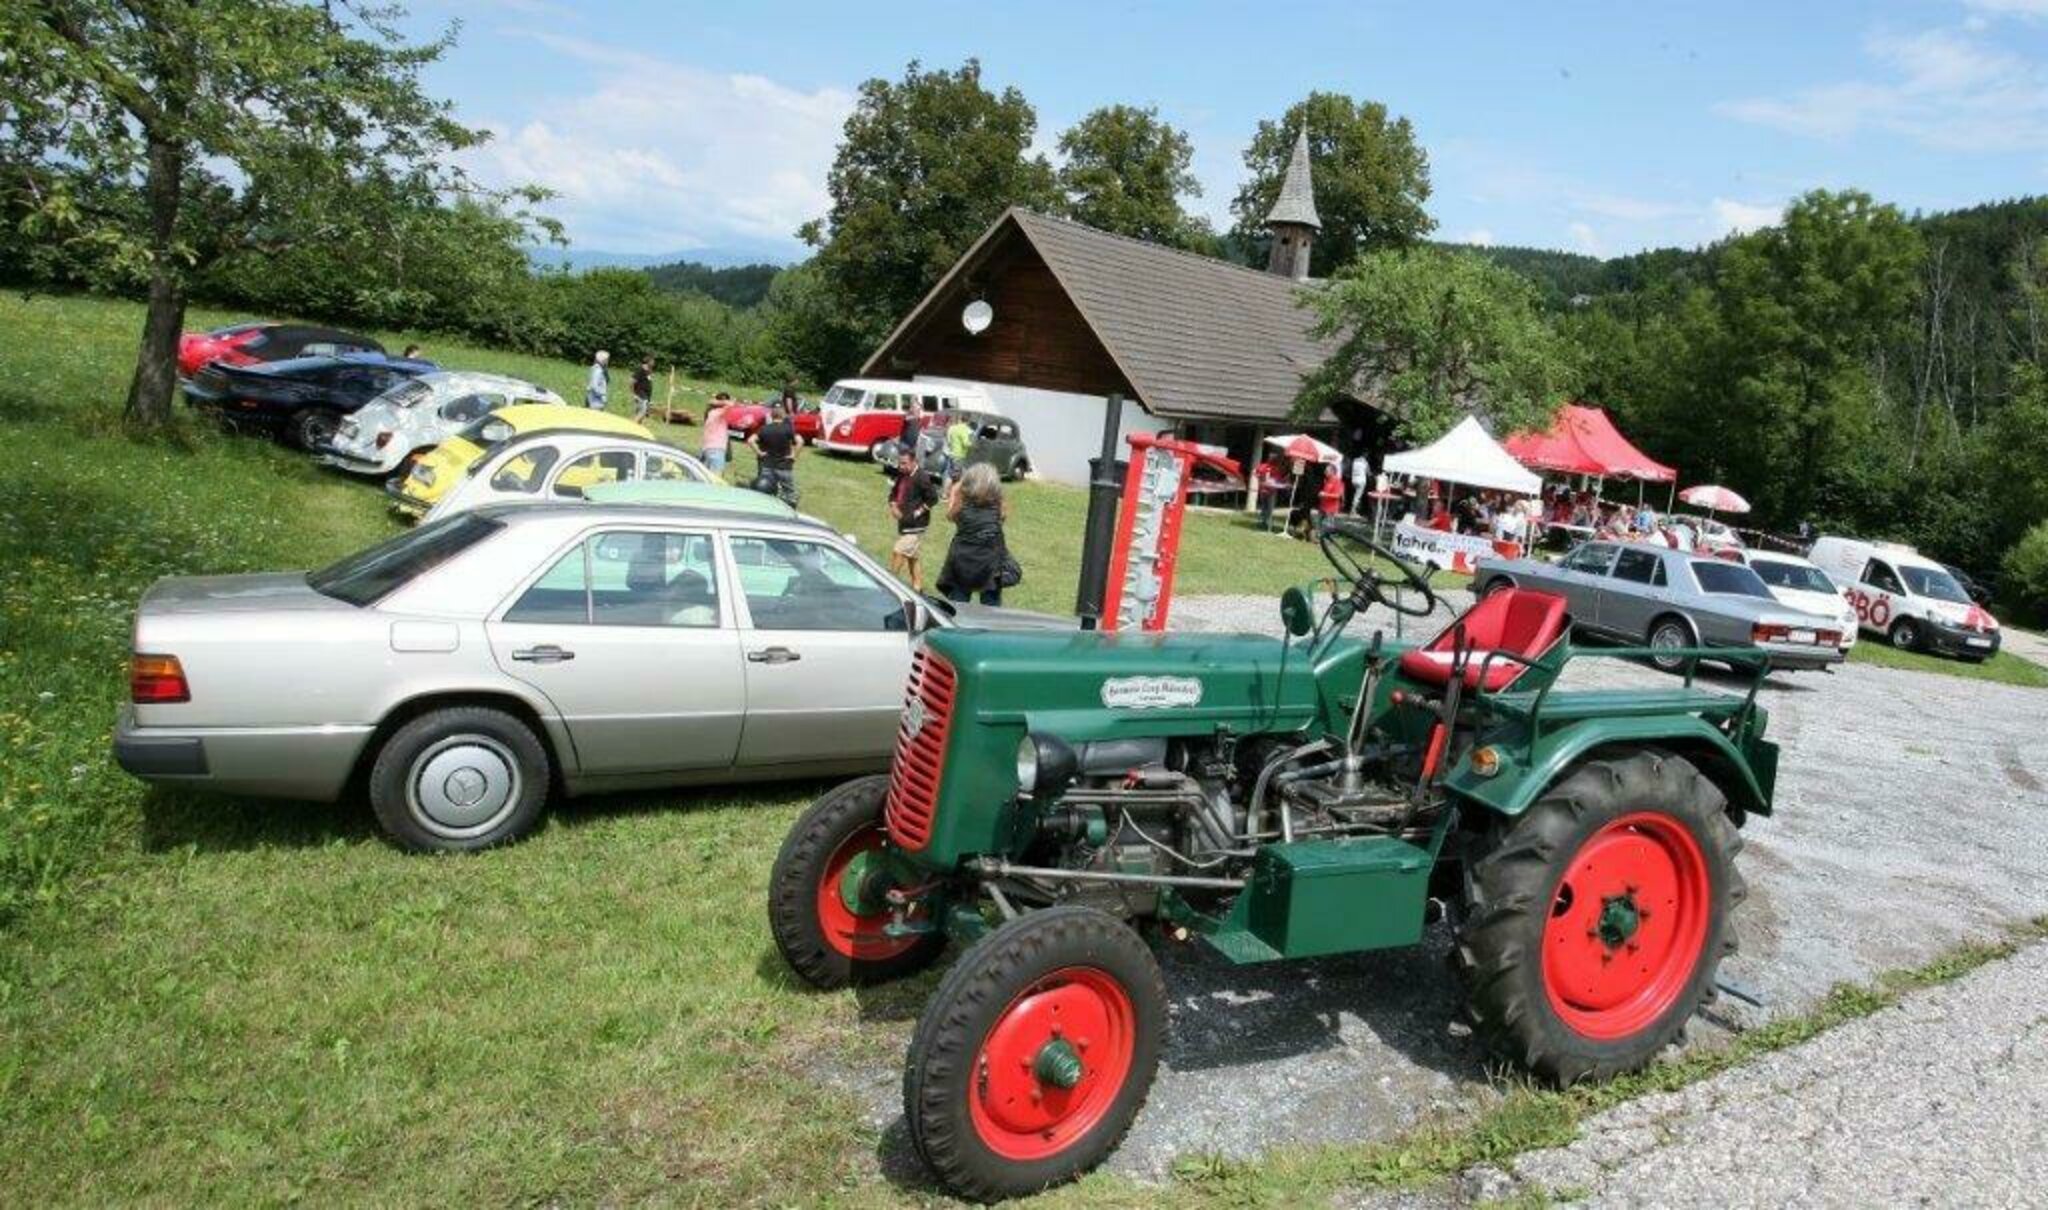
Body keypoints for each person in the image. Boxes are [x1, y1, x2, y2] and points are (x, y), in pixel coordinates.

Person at [938, 463, 1012, 606]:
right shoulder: (997, 503)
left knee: (958, 604)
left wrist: (957, 490)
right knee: (991, 606)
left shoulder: (963, 504)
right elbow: (1002, 518)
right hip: (990, 561)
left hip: (963, 560)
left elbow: (951, 516)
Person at [886, 446, 939, 592]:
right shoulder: (902, 475)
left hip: (916, 525)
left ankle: (889, 585)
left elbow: (933, 498)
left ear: (914, 462)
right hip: (905, 523)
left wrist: (917, 512)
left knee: (899, 550)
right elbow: (893, 493)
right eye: (900, 463)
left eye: (904, 463)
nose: (901, 466)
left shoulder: (922, 477)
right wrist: (893, 506)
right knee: (912, 557)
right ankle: (918, 587)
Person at [750, 401, 799, 504]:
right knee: (789, 493)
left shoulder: (764, 429)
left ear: (771, 416)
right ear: (783, 415)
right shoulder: (788, 428)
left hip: (767, 465)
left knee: (764, 490)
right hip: (784, 466)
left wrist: (759, 453)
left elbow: (751, 440)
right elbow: (800, 441)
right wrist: (794, 455)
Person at [700, 392, 733, 475]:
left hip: (707, 449)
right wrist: (722, 402)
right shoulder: (719, 413)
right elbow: (731, 404)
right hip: (717, 450)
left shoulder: (710, 413)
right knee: (715, 480)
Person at [1254, 457, 1287, 532]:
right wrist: (1285, 482)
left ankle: (1262, 523)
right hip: (1271, 491)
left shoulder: (1262, 466)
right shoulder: (1276, 469)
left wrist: (1260, 481)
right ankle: (1267, 524)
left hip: (1262, 490)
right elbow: (1278, 480)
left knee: (1263, 507)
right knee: (1269, 509)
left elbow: (1256, 473)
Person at [945, 411, 974, 480]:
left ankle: (947, 487)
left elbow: (949, 441)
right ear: (969, 420)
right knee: (956, 476)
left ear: (961, 419)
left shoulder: (953, 428)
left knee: (950, 474)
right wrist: (973, 444)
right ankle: (953, 489)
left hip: (951, 454)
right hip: (959, 456)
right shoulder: (965, 429)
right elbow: (966, 443)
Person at [630, 358, 654, 422]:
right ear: (647, 362)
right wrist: (633, 394)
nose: (654, 363)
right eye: (652, 361)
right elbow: (632, 381)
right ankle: (633, 425)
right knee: (643, 411)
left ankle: (637, 427)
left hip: (646, 395)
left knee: (639, 412)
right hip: (640, 394)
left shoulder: (648, 371)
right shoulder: (640, 370)